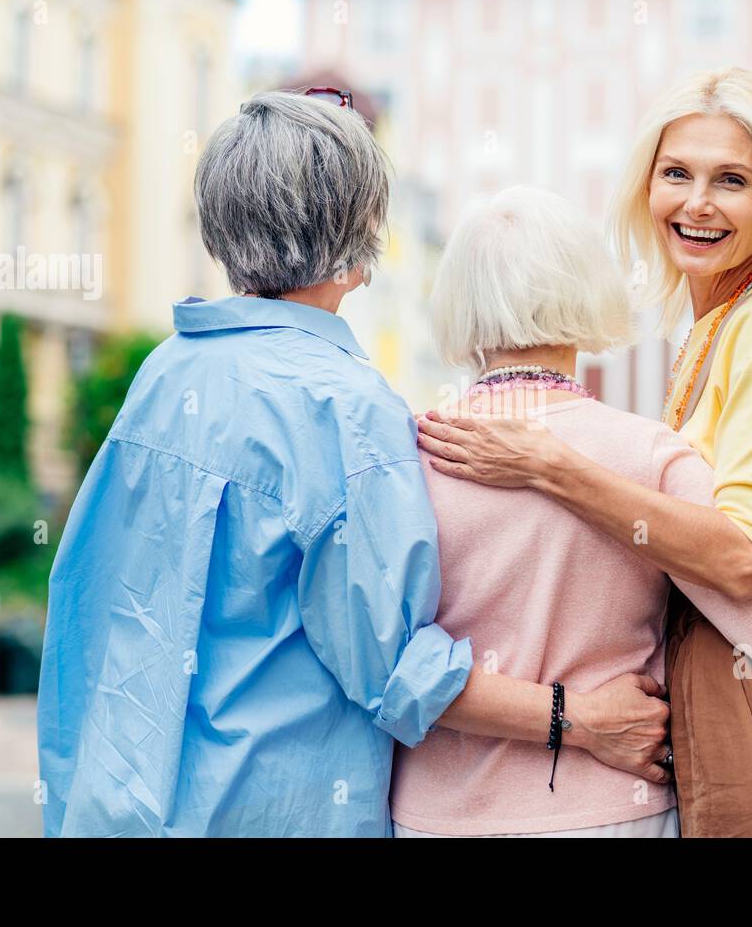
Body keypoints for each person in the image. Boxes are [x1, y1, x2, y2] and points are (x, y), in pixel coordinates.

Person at [36, 91, 665, 837]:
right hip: (274, 811)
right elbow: (396, 671)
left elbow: (85, 595)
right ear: (361, 242)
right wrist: (584, 719)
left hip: (120, 804)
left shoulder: (166, 375)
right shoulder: (349, 411)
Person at [417, 69, 752, 836]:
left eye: (731, 180)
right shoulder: (716, 327)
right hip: (738, 690)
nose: (697, 202)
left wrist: (553, 466)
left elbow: (744, 559)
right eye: (676, 173)